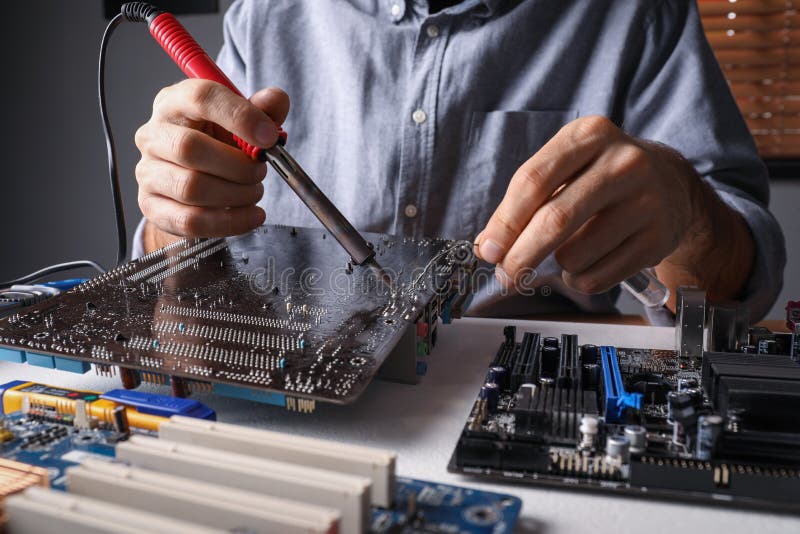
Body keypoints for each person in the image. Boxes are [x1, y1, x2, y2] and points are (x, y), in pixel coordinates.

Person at [132, 0, 786, 324]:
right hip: (301, 400)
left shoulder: (635, 14)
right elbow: (174, 276)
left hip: (524, 414)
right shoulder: (265, 14)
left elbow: (731, 291)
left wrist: (687, 207)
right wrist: (176, 221)